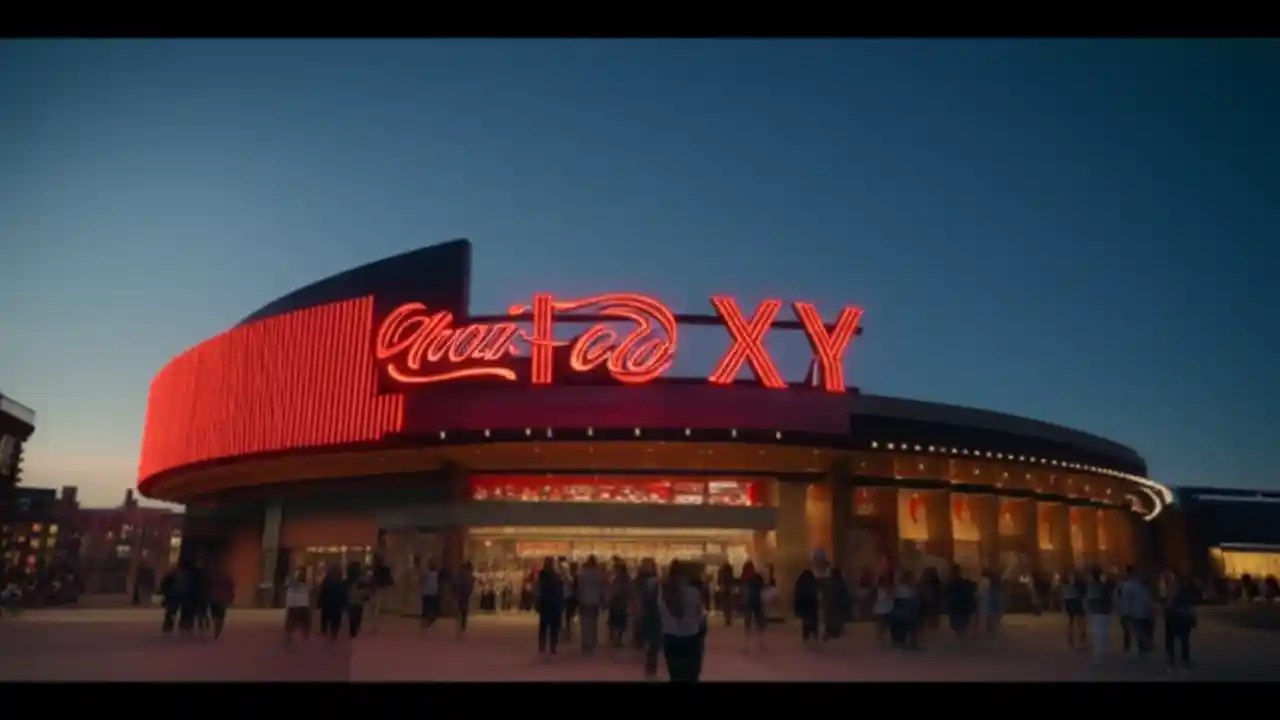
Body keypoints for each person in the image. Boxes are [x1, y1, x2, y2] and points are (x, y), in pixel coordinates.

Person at [659, 559, 706, 683]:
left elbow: (660, 612)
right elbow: (699, 615)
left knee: (675, 674)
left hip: (670, 635)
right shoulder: (693, 592)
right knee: (691, 673)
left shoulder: (664, 592)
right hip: (690, 634)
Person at [1163, 573, 1197, 673]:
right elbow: (1190, 608)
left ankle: (1172, 663)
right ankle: (1183, 662)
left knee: (1172, 641)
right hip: (1181, 618)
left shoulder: (1172, 591)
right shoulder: (1184, 593)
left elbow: (1168, 606)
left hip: (1175, 617)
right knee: (1183, 641)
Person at [1117, 566, 1153, 657]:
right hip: (1143, 611)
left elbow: (1126, 601)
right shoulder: (1141, 585)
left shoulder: (1127, 586)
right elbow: (1147, 598)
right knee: (1141, 630)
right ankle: (1144, 648)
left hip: (1134, 612)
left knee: (1137, 631)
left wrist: (1126, 613)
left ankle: (1145, 646)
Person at [535, 556, 564, 656]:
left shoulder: (543, 574)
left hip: (545, 602)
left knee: (544, 626)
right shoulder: (556, 575)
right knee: (553, 627)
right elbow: (560, 588)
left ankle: (543, 646)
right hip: (553, 603)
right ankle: (552, 647)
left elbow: (539, 588)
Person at [577, 555, 604, 654]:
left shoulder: (583, 573)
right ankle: (592, 643)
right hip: (594, 601)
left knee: (585, 623)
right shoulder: (598, 573)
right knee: (593, 623)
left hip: (584, 600)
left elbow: (579, 587)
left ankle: (585, 643)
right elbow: (601, 588)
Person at [1084, 567, 1113, 662]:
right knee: (1104, 631)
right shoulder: (1102, 586)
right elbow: (1106, 597)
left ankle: (1099, 650)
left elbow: (1089, 599)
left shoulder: (1091, 586)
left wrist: (1088, 609)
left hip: (1095, 611)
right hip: (1103, 610)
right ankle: (1104, 649)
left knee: (1097, 631)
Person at [316, 564, 347, 642]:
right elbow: (344, 593)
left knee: (325, 617)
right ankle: (334, 634)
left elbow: (322, 592)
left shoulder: (326, 580)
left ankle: (324, 630)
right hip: (337, 603)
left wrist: (319, 601)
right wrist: (344, 604)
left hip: (328, 602)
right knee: (336, 619)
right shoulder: (341, 582)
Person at [741, 560, 766, 651]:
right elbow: (762, 585)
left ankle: (747, 645)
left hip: (749, 601)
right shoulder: (757, 576)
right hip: (757, 600)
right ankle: (760, 643)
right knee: (759, 622)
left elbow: (743, 589)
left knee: (748, 623)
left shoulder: (745, 577)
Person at [891, 569, 920, 649]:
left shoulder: (911, 587)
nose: (914, 578)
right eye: (912, 577)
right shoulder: (902, 587)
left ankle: (910, 643)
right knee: (905, 626)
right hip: (905, 609)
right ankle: (903, 642)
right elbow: (898, 597)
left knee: (910, 626)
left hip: (909, 609)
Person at [946, 565, 977, 638]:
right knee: (960, 625)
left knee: (959, 625)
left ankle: (961, 637)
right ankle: (961, 637)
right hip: (959, 607)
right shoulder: (957, 583)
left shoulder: (954, 584)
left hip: (959, 607)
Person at [607, 561, 630, 649]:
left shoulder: (619, 580)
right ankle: (617, 639)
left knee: (616, 622)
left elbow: (615, 591)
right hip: (620, 603)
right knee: (618, 622)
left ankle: (616, 639)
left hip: (618, 603)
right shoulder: (624, 579)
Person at [284, 569, 312, 642]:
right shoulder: (304, 585)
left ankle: (290, 634)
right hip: (301, 604)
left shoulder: (294, 585)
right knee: (303, 619)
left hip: (296, 604)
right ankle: (303, 633)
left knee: (293, 619)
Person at [794, 569, 820, 645]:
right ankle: (815, 634)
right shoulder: (813, 583)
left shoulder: (800, 583)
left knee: (805, 621)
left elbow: (797, 595)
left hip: (804, 605)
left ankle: (806, 635)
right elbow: (816, 594)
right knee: (814, 620)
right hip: (812, 605)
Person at [345, 562, 371, 639]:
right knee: (358, 615)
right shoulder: (361, 581)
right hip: (358, 601)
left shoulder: (348, 581)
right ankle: (355, 628)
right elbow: (366, 590)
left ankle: (353, 630)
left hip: (350, 600)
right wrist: (366, 597)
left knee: (352, 616)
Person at [823, 567, 850, 640]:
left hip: (830, 606)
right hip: (838, 606)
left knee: (830, 622)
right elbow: (845, 594)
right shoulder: (841, 583)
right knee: (837, 623)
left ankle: (829, 634)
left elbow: (825, 595)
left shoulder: (828, 584)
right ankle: (835, 633)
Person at [208, 568, 235, 640]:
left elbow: (208, 588)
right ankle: (218, 628)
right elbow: (231, 588)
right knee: (221, 616)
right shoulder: (227, 579)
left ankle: (216, 626)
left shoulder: (212, 579)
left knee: (215, 615)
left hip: (214, 599)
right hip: (222, 600)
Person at [1063, 570, 1087, 650]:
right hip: (1076, 602)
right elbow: (1082, 594)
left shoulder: (1066, 585)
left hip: (1069, 602)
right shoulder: (1078, 584)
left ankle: (1072, 639)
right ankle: (1080, 641)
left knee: (1072, 621)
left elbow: (1064, 595)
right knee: (1080, 621)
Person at [419, 558, 441, 630]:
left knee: (426, 608)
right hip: (433, 593)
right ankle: (429, 620)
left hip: (427, 593)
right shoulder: (437, 574)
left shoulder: (428, 573)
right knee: (432, 608)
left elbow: (422, 580)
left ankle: (425, 622)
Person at [454, 561, 475, 635]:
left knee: (460, 607)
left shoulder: (461, 574)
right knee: (464, 607)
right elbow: (470, 584)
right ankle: (463, 624)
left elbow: (456, 582)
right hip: (465, 592)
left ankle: (460, 623)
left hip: (460, 592)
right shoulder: (469, 575)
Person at [563, 561, 579, 642]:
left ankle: (569, 628)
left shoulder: (570, 576)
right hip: (572, 597)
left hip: (570, 597)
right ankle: (569, 628)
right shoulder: (573, 577)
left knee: (569, 614)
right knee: (570, 614)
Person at [716, 562, 736, 627]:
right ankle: (729, 618)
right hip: (729, 589)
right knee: (729, 604)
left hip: (723, 589)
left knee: (725, 604)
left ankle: (726, 618)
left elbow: (718, 581)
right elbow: (733, 580)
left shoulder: (721, 572)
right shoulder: (730, 573)